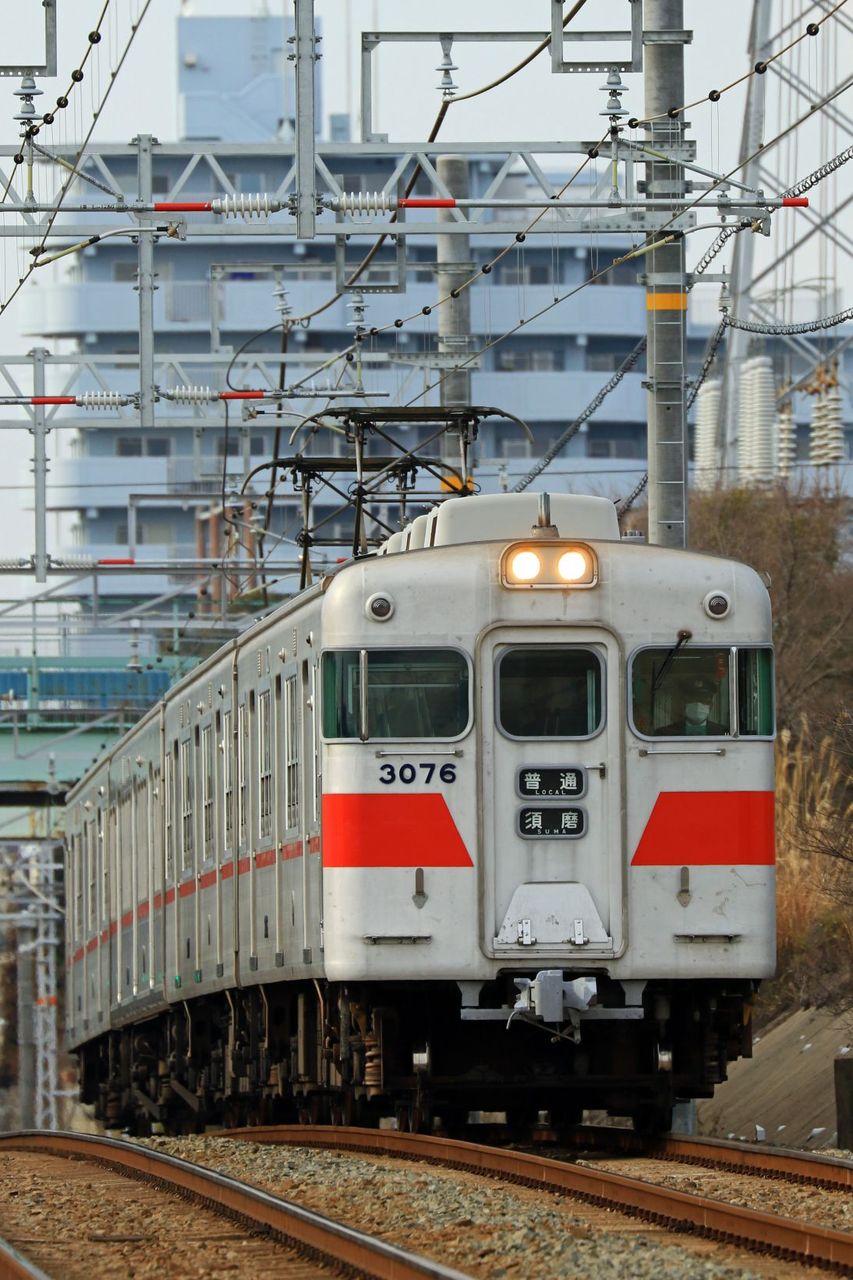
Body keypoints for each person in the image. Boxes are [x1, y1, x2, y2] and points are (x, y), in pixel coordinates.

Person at [655, 674, 728, 736]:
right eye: (693, 699)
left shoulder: (722, 733)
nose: (698, 704)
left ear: (711, 705)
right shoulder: (664, 734)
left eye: (703, 700)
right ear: (684, 703)